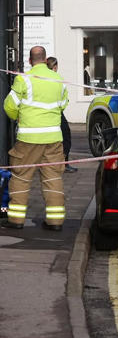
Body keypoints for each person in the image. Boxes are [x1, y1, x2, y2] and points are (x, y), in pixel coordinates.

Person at [2, 46, 68, 231]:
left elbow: (9, 106)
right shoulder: (59, 79)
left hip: (28, 139)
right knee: (53, 178)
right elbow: (63, 105)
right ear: (46, 59)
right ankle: (55, 222)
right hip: (54, 138)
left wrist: (18, 117)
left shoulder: (24, 79)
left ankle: (16, 221)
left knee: (21, 178)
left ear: (30, 60)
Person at [46, 57, 77, 173]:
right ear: (55, 67)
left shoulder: (39, 78)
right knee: (66, 137)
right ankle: (64, 163)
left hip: (42, 113)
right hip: (57, 112)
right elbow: (63, 101)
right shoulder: (57, 79)